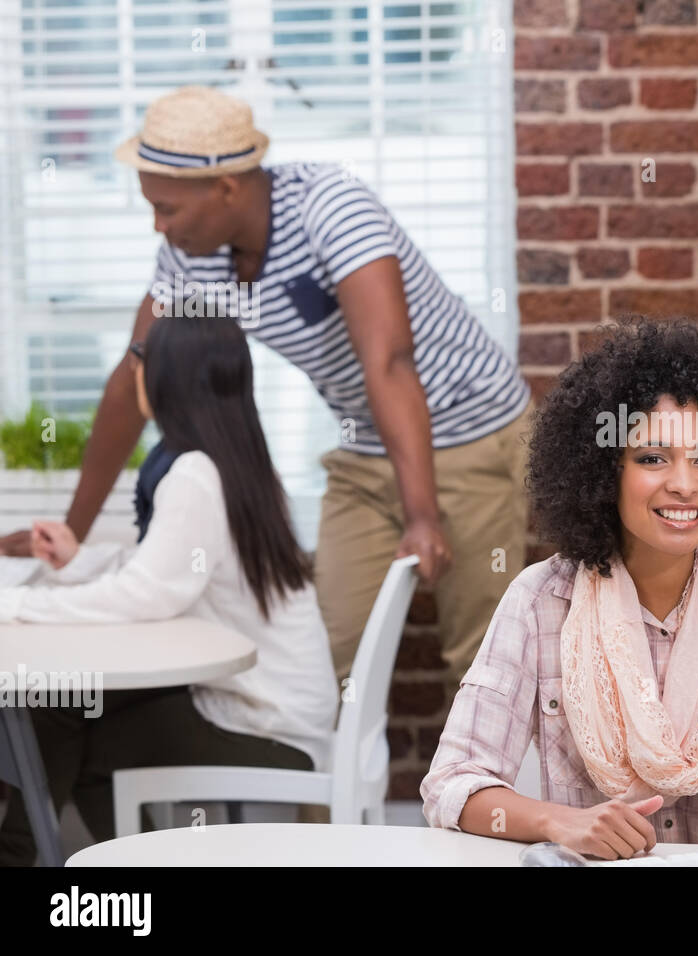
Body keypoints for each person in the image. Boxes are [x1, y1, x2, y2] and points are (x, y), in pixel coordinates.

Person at [0, 85, 534, 713]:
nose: (158, 226)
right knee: (328, 658)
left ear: (224, 189)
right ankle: (324, 806)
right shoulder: (191, 260)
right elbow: (132, 381)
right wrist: (72, 534)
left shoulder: (329, 207)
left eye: (168, 208)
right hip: (365, 447)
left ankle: (493, 813)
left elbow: (388, 360)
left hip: (473, 436)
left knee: (478, 663)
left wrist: (422, 514)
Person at [420, 320, 698, 858]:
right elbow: (451, 785)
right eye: (652, 458)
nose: (685, 484)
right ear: (603, 470)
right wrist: (560, 823)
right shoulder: (541, 601)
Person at [0, 316, 337, 866]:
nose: (134, 365)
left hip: (264, 727)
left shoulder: (193, 474)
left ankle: (23, 854)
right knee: (67, 715)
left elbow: (145, 595)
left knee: (58, 713)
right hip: (282, 712)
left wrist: (14, 603)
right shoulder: (229, 459)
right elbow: (162, 568)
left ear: (167, 374)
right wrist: (77, 560)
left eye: (140, 353)